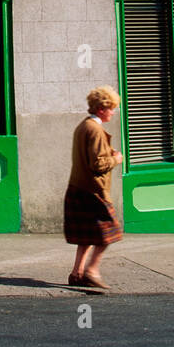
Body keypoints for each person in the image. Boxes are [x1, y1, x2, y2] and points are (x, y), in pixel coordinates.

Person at [65, 86, 124, 288]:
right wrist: (116, 159)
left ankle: (77, 273)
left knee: (88, 235)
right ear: (101, 108)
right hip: (93, 191)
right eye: (111, 108)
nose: (113, 112)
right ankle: (91, 270)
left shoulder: (83, 126)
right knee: (110, 232)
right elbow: (98, 164)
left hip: (78, 188)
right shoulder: (95, 130)